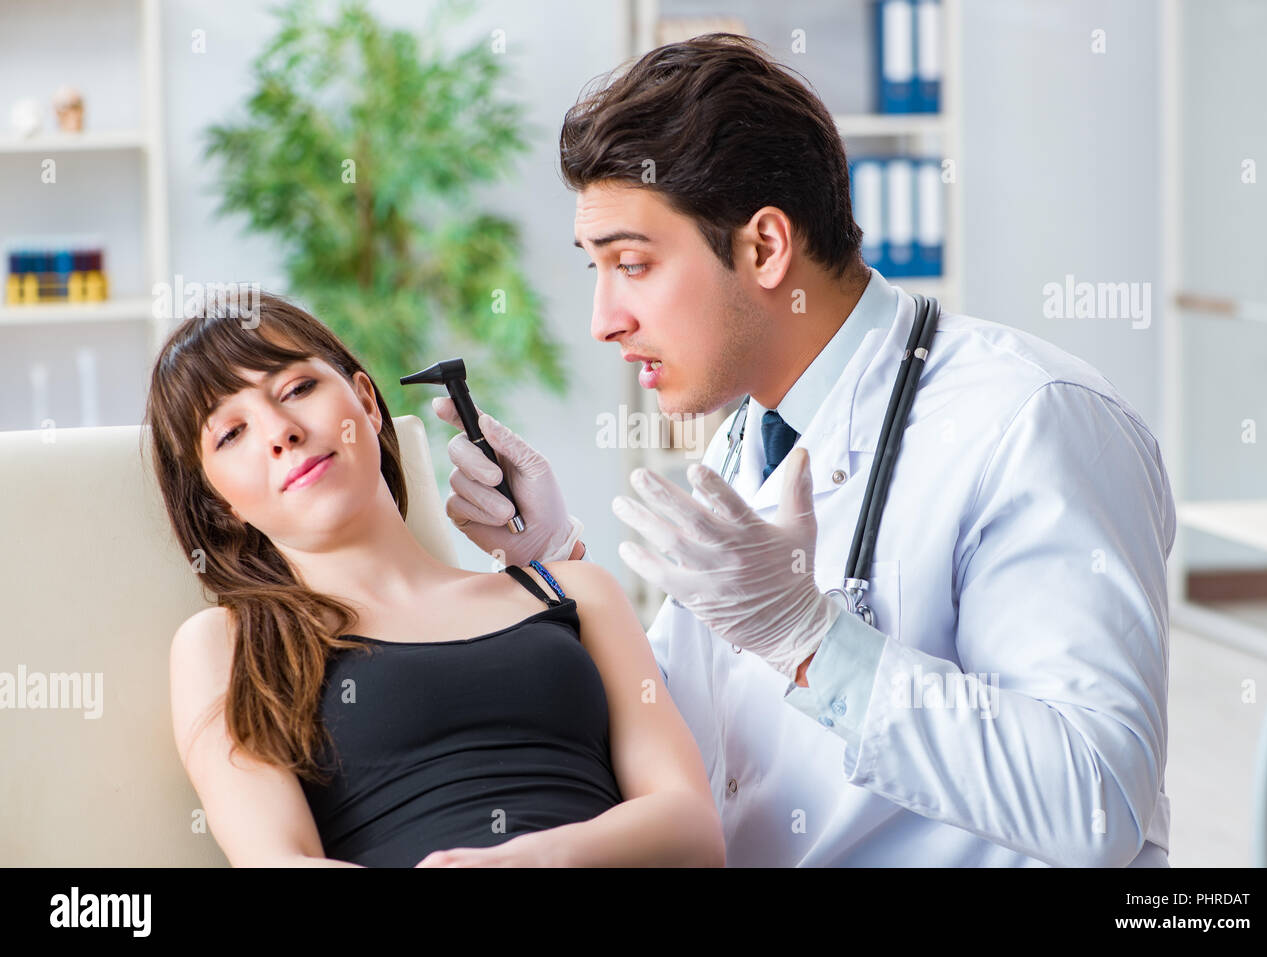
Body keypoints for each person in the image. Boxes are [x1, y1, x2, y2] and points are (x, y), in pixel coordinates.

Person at [435, 34, 1174, 866]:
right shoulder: (751, 434)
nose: (604, 318)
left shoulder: (1033, 418)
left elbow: (1098, 800)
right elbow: (689, 730)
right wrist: (556, 568)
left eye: (633, 264)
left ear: (764, 248)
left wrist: (813, 638)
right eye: (596, 271)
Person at [149, 291, 724, 867]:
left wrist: (532, 861)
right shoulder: (226, 645)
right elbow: (280, 863)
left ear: (367, 405)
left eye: (297, 389)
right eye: (231, 433)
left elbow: (694, 829)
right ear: (219, 505)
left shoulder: (572, 590)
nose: (281, 431)